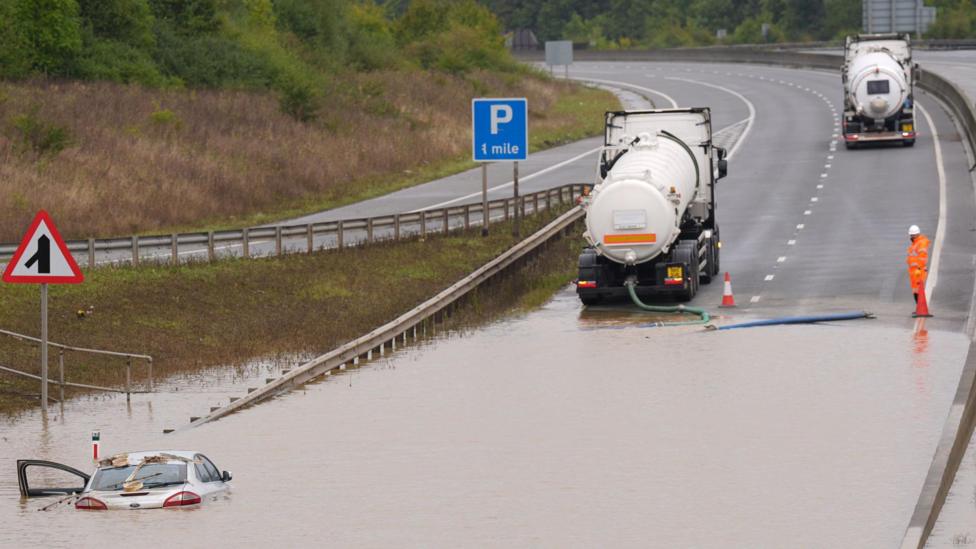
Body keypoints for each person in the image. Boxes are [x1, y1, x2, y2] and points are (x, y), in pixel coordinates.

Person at [906, 225, 930, 305]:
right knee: (915, 290)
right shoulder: (915, 243)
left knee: (918, 290)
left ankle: (921, 308)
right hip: (914, 271)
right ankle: (919, 308)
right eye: (911, 235)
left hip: (918, 271)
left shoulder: (920, 243)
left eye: (912, 235)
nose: (911, 236)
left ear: (916, 234)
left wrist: (919, 268)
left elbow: (922, 257)